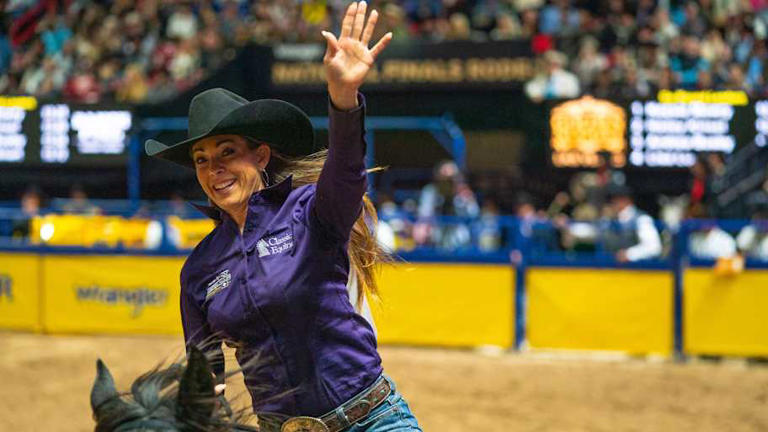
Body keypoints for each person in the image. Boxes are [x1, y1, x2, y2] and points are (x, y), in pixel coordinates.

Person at [145, 3, 421, 431]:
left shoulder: (309, 211)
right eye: (201, 160)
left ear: (260, 155)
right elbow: (205, 375)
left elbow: (346, 174)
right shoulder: (199, 270)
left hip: (371, 421)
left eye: (227, 152)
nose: (213, 169)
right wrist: (200, 401)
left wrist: (343, 100)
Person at [602, 185, 662, 262]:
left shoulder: (641, 219)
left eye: (616, 199)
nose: (612, 203)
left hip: (639, 270)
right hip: (611, 271)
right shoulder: (609, 220)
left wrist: (629, 254)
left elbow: (654, 248)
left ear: (626, 200)